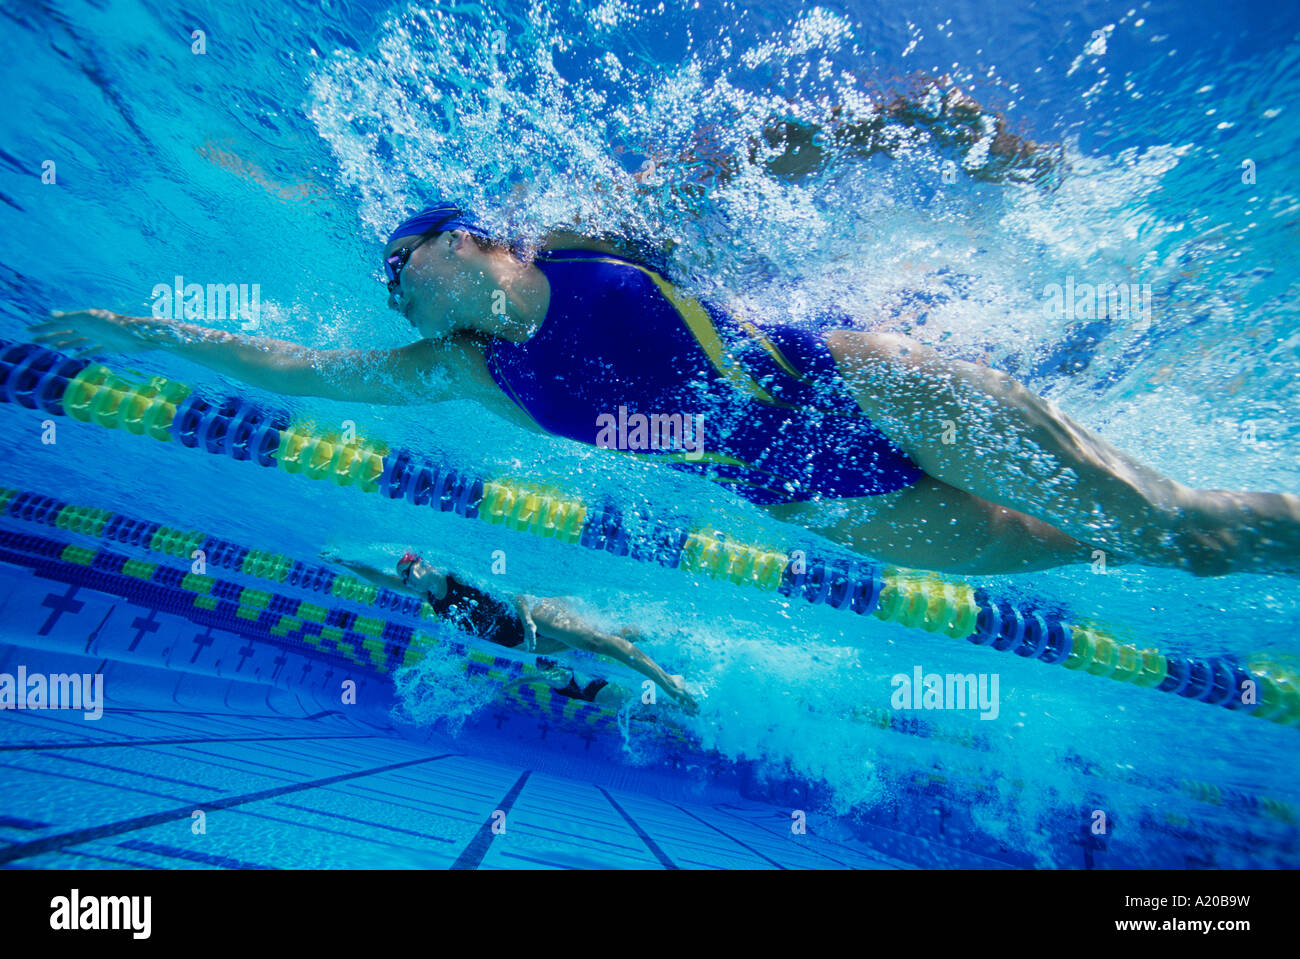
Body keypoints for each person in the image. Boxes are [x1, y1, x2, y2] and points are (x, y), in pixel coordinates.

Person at [31, 89, 1300, 578]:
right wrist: (142, 333)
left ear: (461, 238)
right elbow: (297, 366)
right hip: (811, 498)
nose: (388, 293)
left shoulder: (585, 232)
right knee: (1122, 560)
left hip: (858, 391)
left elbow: (764, 148)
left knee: (1173, 522)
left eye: (395, 265)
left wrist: (929, 130)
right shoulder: (467, 375)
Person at [328, 549, 695, 712]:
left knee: (595, 640)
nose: (407, 577)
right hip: (524, 644)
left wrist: (530, 620)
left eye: (409, 569)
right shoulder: (427, 598)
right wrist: (345, 562)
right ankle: (664, 632)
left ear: (424, 564)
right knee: (605, 635)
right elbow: (378, 577)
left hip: (530, 615)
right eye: (404, 576)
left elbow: (510, 590)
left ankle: (667, 681)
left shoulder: (457, 575)